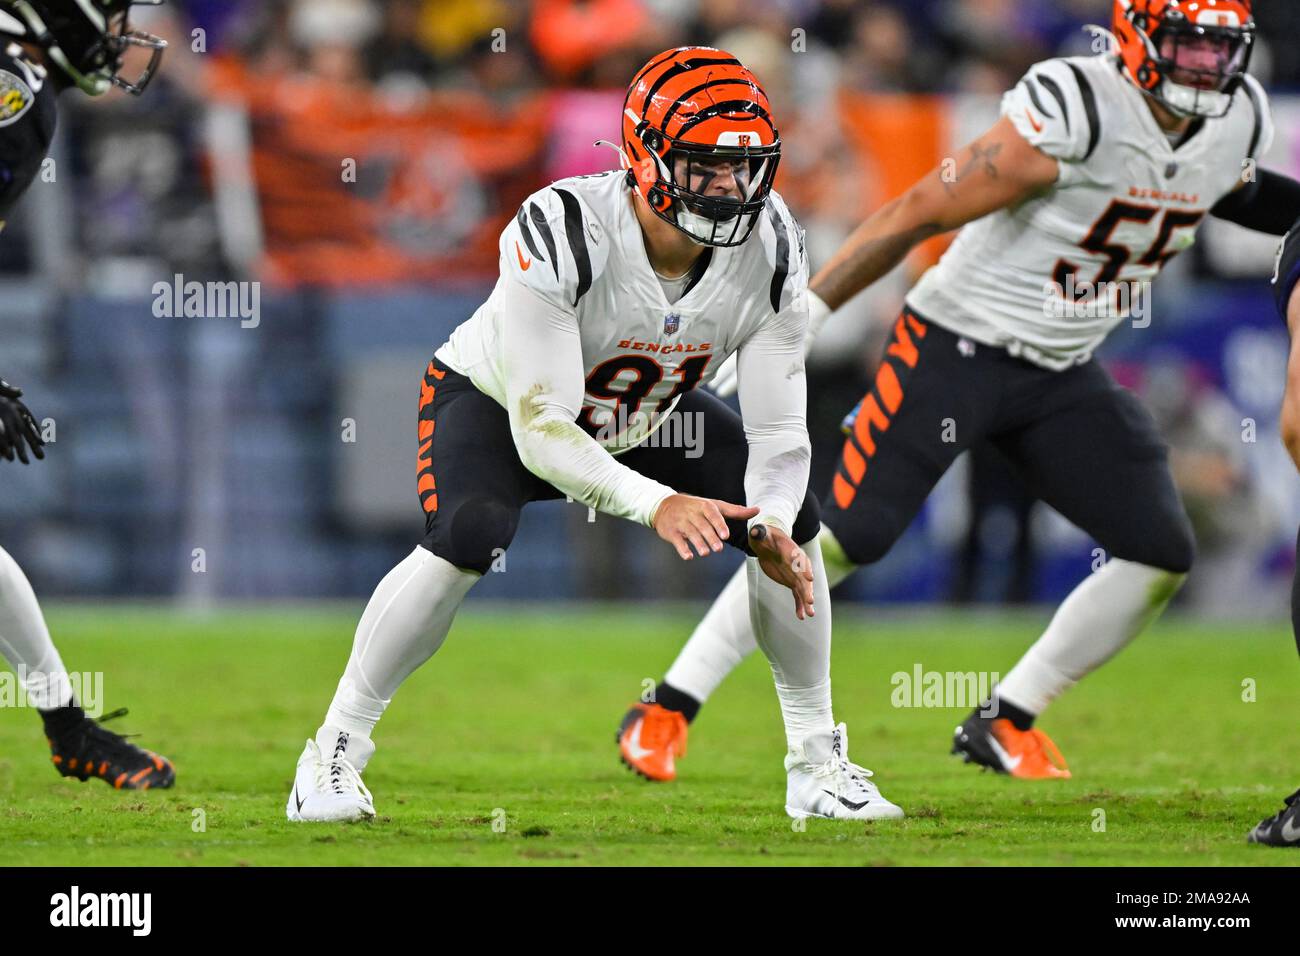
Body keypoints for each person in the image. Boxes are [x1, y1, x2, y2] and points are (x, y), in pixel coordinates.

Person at [623, 0, 1300, 782]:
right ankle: (669, 704)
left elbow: (1224, 187)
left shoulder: (1235, 118)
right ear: (1137, 40)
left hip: (1061, 367)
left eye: (1220, 52)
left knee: (1158, 552)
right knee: (844, 536)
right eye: (1187, 47)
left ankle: (1005, 718)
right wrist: (808, 315)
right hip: (957, 343)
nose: (1205, 70)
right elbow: (920, 210)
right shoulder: (1078, 110)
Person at [287, 46, 903, 823]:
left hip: (644, 411)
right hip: (502, 399)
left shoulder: (772, 245)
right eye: (703, 166)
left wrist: (771, 522)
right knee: (472, 531)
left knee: (798, 521)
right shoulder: (565, 227)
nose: (728, 190)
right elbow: (544, 426)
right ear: (645, 157)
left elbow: (781, 434)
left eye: (740, 169)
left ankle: (816, 764)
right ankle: (333, 752)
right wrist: (658, 504)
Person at [0, 0, 173, 790]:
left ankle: (67, 725)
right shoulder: (16, 88)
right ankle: (67, 725)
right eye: (106, 13)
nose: (115, 35)